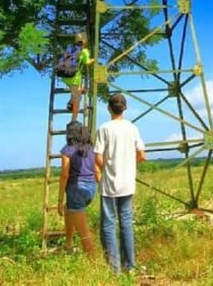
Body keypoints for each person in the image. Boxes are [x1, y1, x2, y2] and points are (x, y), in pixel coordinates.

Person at [94, 93, 146, 273]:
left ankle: (114, 269)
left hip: (109, 184)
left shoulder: (104, 128)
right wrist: (128, 164)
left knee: (109, 224)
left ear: (109, 108)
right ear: (125, 107)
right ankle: (130, 266)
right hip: (127, 183)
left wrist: (110, 165)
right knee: (126, 223)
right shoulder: (133, 128)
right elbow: (141, 155)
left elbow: (98, 158)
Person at [57, 121, 100, 256]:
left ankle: (93, 263)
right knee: (68, 208)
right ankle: (68, 244)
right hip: (91, 189)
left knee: (83, 232)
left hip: (76, 190)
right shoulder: (90, 148)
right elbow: (97, 169)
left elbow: (64, 174)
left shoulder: (68, 149)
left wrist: (59, 199)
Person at [61, 32, 93, 122]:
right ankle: (73, 120)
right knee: (78, 98)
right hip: (74, 77)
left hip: (65, 75)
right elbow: (87, 62)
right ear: (85, 41)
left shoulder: (70, 47)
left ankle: (70, 102)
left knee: (76, 91)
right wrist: (94, 59)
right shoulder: (84, 51)